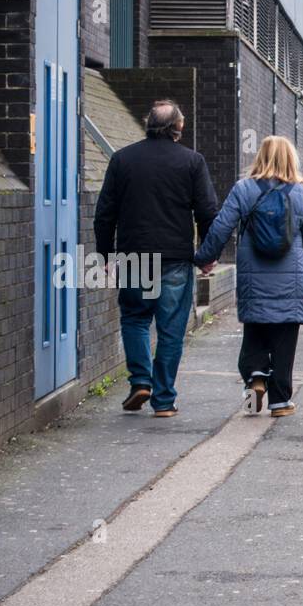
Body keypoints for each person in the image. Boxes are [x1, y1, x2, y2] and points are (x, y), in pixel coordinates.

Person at [95, 99, 218, 418]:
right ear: (178, 127)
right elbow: (207, 212)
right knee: (171, 330)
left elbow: (104, 213)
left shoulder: (123, 159)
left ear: (147, 123)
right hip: (175, 258)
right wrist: (207, 255)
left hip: (134, 255)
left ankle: (140, 382)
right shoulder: (192, 161)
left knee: (135, 318)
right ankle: (163, 400)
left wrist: (106, 253)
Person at [192, 136, 303, 418]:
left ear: (261, 158)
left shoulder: (244, 189)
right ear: (291, 159)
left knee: (254, 331)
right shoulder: (301, 194)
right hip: (291, 280)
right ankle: (279, 401)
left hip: (254, 278)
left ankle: (255, 378)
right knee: (284, 339)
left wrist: (204, 257)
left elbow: (221, 227)